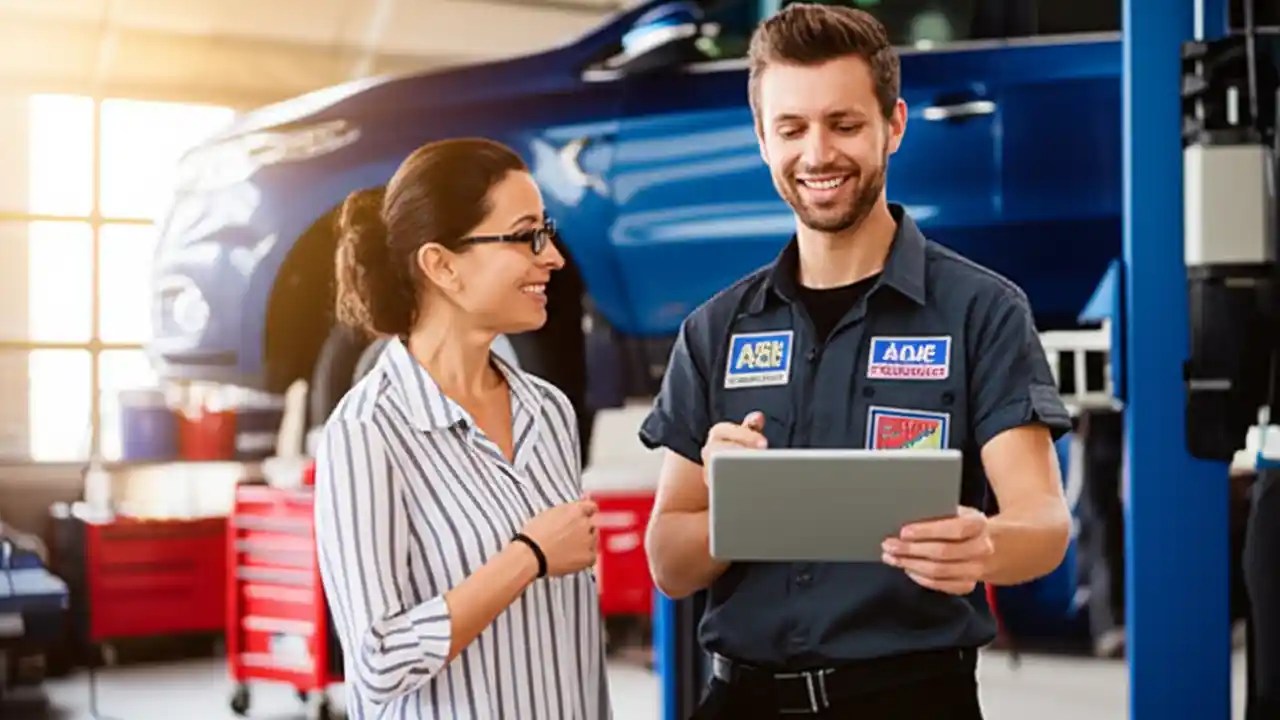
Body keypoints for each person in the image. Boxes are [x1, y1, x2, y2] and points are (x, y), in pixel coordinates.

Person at [639, 4, 1074, 719]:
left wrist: (985, 545)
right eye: (792, 129)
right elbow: (668, 562)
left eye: (843, 125)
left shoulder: (980, 312)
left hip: (912, 699)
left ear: (893, 125)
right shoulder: (714, 330)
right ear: (761, 137)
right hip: (741, 699)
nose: (817, 155)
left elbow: (1045, 525)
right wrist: (734, 507)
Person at [313, 137, 611, 720]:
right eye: (527, 236)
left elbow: (574, 631)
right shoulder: (367, 432)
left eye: (545, 233)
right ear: (442, 265)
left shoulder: (548, 413)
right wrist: (527, 556)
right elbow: (377, 660)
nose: (551, 257)